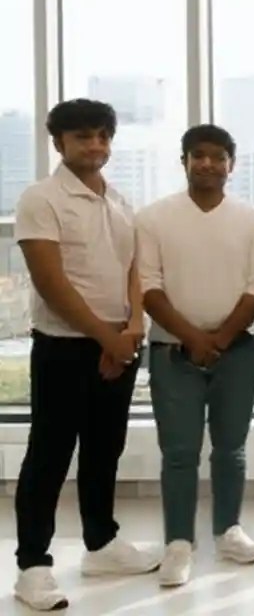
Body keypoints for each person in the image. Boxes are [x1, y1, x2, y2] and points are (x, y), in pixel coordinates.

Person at [12, 99, 160, 612]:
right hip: (64, 347)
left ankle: (101, 543)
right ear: (59, 143)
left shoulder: (119, 200)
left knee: (104, 448)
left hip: (119, 342)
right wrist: (105, 337)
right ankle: (33, 565)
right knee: (49, 455)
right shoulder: (41, 198)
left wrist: (133, 329)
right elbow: (51, 283)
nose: (95, 145)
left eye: (102, 136)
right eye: (82, 137)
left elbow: (134, 271)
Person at [135, 125, 254, 587]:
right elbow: (148, 286)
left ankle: (228, 530)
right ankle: (179, 542)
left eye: (219, 157)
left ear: (231, 165)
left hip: (238, 350)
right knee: (179, 452)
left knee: (230, 448)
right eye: (199, 156)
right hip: (172, 351)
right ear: (184, 161)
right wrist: (193, 338)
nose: (208, 164)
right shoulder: (154, 218)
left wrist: (219, 338)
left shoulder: (252, 220)